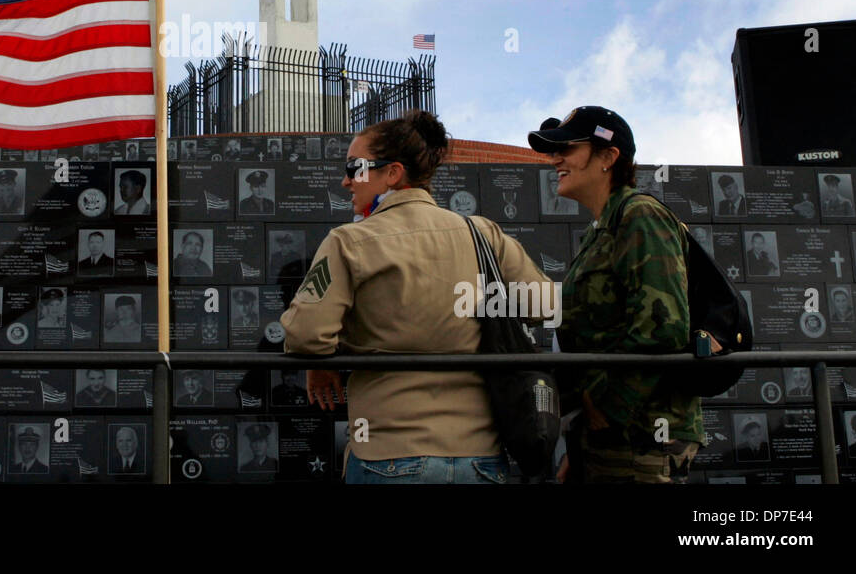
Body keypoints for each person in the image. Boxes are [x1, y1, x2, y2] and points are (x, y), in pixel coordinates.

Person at [281, 109, 550, 485]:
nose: (346, 181)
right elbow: (544, 306)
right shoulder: (483, 234)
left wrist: (322, 360)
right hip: (481, 458)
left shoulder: (350, 241)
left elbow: (306, 335)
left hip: (386, 454)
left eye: (355, 168)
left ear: (393, 173)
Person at [528, 106, 703, 484]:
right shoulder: (601, 229)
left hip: (643, 435)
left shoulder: (638, 215)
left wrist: (602, 406)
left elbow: (663, 330)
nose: (555, 159)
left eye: (568, 148)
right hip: (609, 438)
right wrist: (583, 440)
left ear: (608, 156)